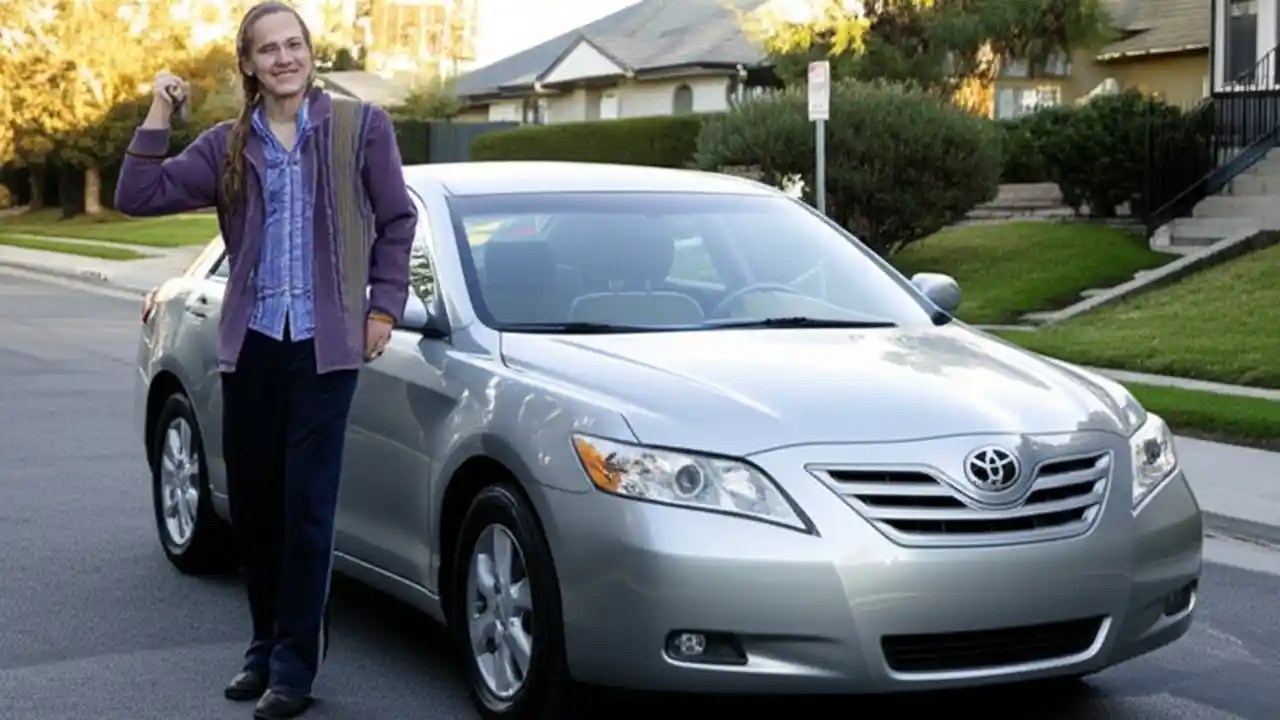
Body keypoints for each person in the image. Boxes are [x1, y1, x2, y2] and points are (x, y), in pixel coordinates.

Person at [114, 2, 416, 718]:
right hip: (251, 343)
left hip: (327, 347)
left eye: (295, 45)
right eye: (269, 50)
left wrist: (383, 308)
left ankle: (292, 666)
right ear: (248, 63)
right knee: (253, 507)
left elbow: (397, 220)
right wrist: (160, 106)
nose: (285, 58)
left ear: (311, 54)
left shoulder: (359, 128)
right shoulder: (225, 146)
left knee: (307, 507)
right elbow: (137, 193)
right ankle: (264, 642)